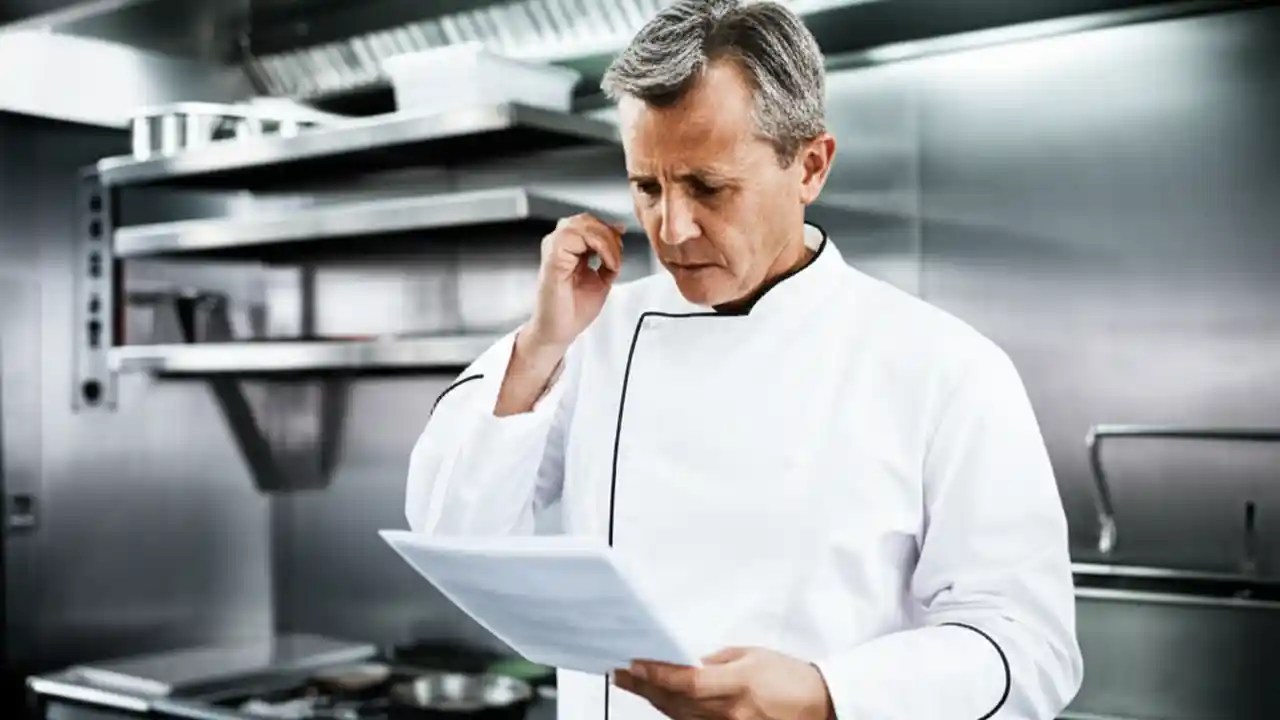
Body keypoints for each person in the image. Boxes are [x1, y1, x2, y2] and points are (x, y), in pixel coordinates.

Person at [406, 1, 1083, 718]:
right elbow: (455, 538)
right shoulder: (592, 334)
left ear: (811, 166)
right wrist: (541, 344)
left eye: (708, 186)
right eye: (648, 186)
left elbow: (1027, 645)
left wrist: (828, 697)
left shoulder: (946, 368)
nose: (672, 227)